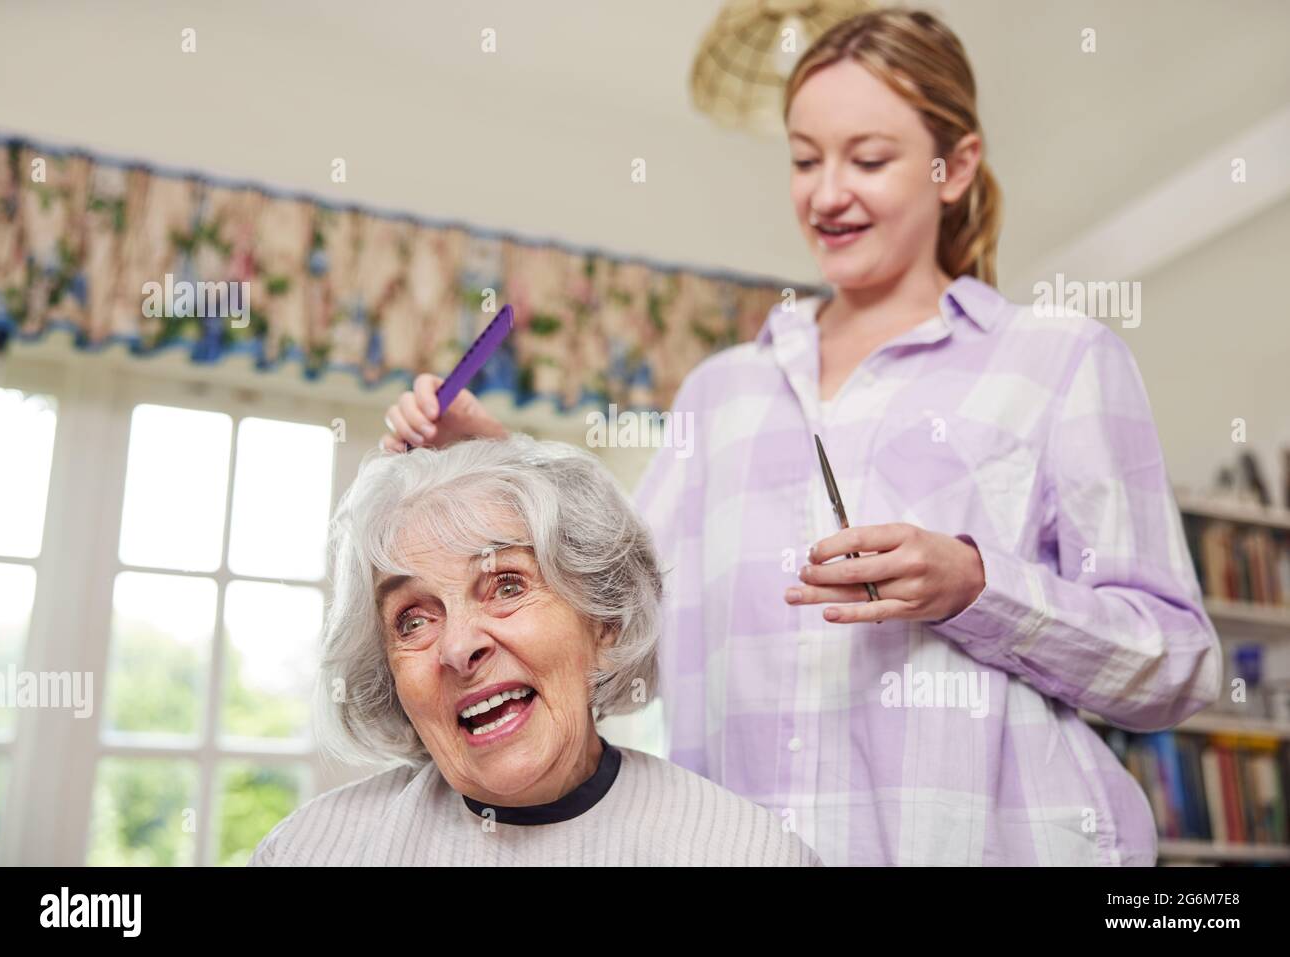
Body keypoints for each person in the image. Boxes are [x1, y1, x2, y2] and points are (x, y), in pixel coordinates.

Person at [380, 9, 1220, 865]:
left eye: (869, 158)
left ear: (954, 166)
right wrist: (491, 453)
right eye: (806, 159)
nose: (826, 194)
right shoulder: (724, 390)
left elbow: (1178, 665)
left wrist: (976, 584)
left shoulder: (1059, 360)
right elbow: (617, 602)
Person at [249, 435, 820, 866]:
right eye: (413, 619)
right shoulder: (308, 852)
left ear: (604, 622)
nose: (458, 646)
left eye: (507, 585)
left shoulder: (744, 852)